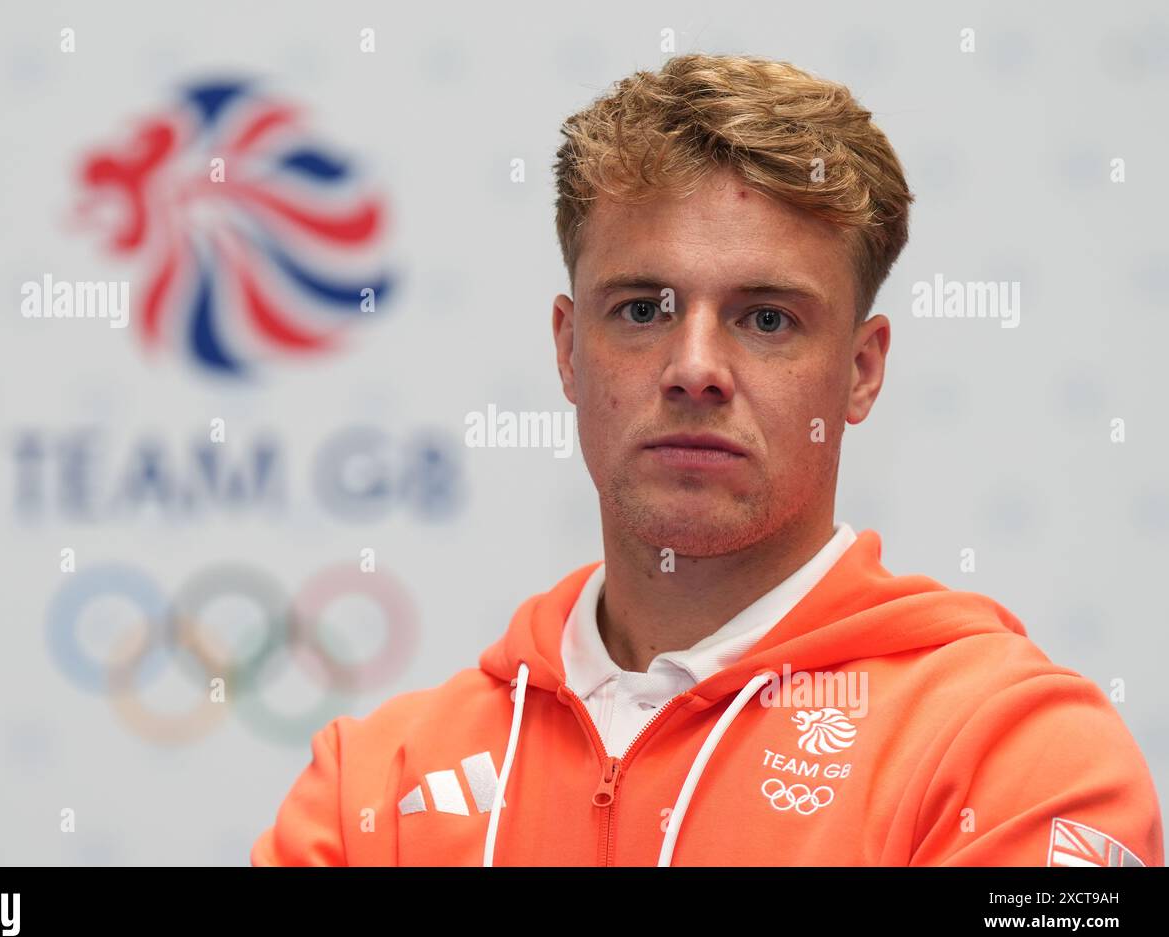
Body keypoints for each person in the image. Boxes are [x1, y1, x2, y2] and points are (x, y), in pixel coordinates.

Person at [251, 53, 1163, 866]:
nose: (694, 369)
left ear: (860, 370)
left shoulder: (1016, 755)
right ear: (569, 351)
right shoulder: (373, 789)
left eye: (767, 318)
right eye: (642, 309)